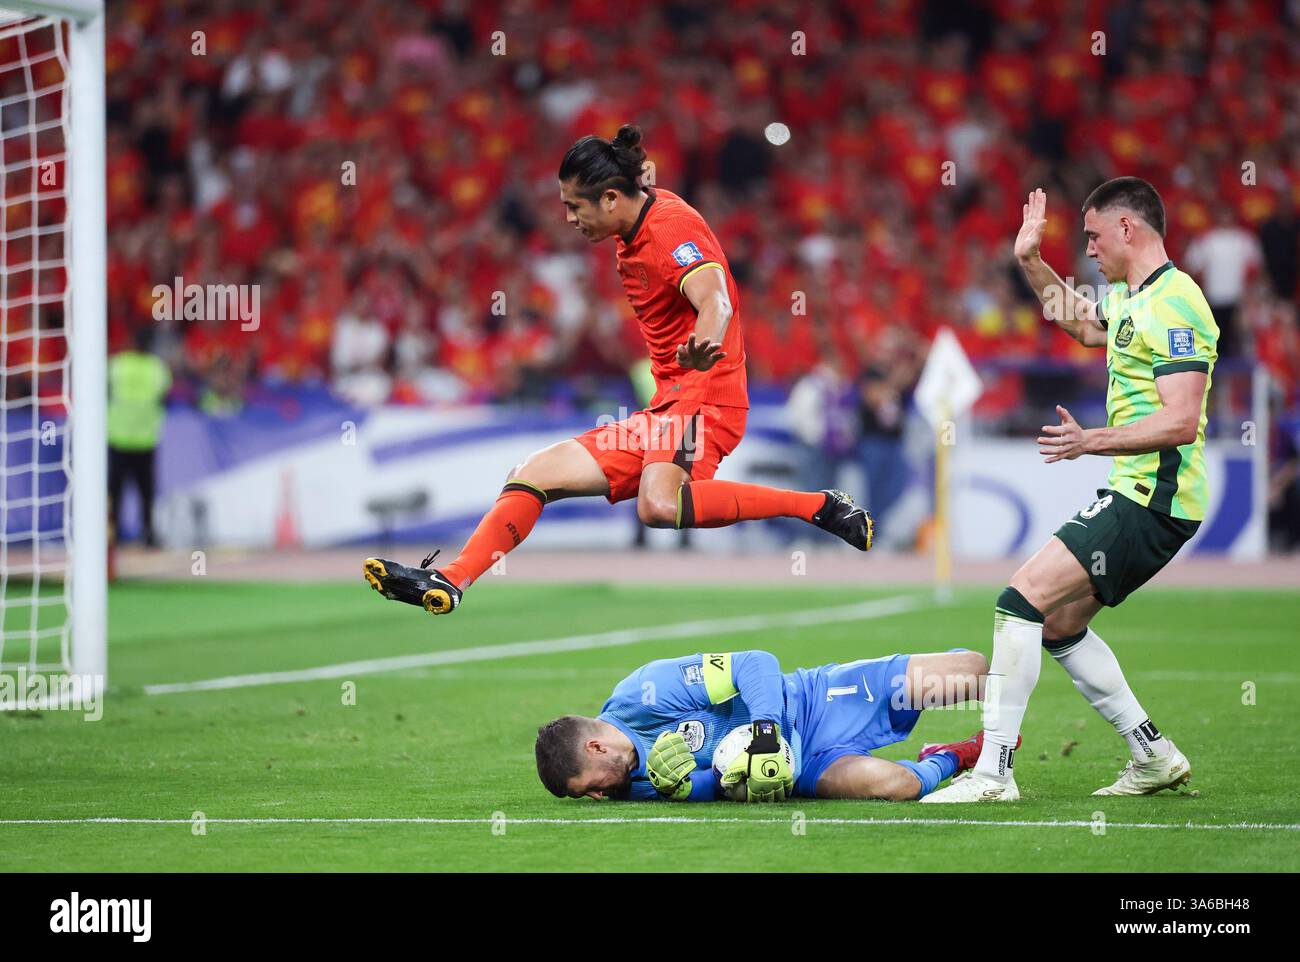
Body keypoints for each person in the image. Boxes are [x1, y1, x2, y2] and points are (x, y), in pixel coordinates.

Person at [363, 125, 872, 616]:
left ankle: (817, 506)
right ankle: (451, 580)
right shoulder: (637, 211)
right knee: (533, 473)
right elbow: (643, 174)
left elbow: (715, 299)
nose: (568, 218)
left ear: (610, 199)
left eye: (574, 206)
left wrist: (705, 343)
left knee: (657, 504)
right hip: (666, 406)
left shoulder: (670, 230)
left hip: (704, 395)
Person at [924, 178, 1216, 803]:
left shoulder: (1177, 303)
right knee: (1055, 622)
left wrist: (1091, 441)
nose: (1087, 249)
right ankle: (1153, 754)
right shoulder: (1134, 298)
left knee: (1018, 600)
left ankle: (993, 773)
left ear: (1127, 229)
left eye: (1091, 235)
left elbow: (1181, 420)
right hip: (1142, 492)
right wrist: (1030, 261)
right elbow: (1084, 327)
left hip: (1153, 497)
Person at [535, 647, 1007, 802]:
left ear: (596, 748)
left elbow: (755, 663)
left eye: (588, 787)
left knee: (969, 673)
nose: (598, 796)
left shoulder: (647, 692)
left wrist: (766, 731)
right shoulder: (629, 785)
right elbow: (716, 787)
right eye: (589, 796)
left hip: (811, 702)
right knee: (897, 786)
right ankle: (952, 755)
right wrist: (701, 787)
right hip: (798, 767)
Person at [107, 328, 172, 547]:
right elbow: (165, 398)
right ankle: (149, 534)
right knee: (147, 492)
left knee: (115, 490)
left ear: (131, 342)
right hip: (145, 439)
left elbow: (106, 393)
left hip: (119, 436)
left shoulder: (117, 365)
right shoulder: (157, 369)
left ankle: (111, 533)